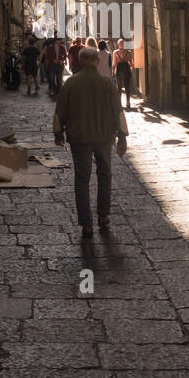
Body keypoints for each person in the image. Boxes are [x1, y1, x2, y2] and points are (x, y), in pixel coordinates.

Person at [53, 46, 128, 238]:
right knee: (105, 175)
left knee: (82, 179)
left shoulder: (71, 83)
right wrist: (122, 136)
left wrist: (58, 133)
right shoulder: (106, 83)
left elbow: (60, 109)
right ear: (97, 61)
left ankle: (86, 224)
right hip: (104, 136)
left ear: (80, 61)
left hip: (79, 137)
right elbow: (117, 111)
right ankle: (103, 216)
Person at [112, 38, 133, 109]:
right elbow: (131, 63)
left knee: (119, 87)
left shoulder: (115, 52)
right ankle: (128, 102)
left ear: (118, 45)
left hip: (119, 70)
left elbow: (114, 63)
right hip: (126, 70)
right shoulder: (128, 52)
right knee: (127, 87)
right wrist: (130, 69)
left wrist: (113, 71)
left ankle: (119, 103)